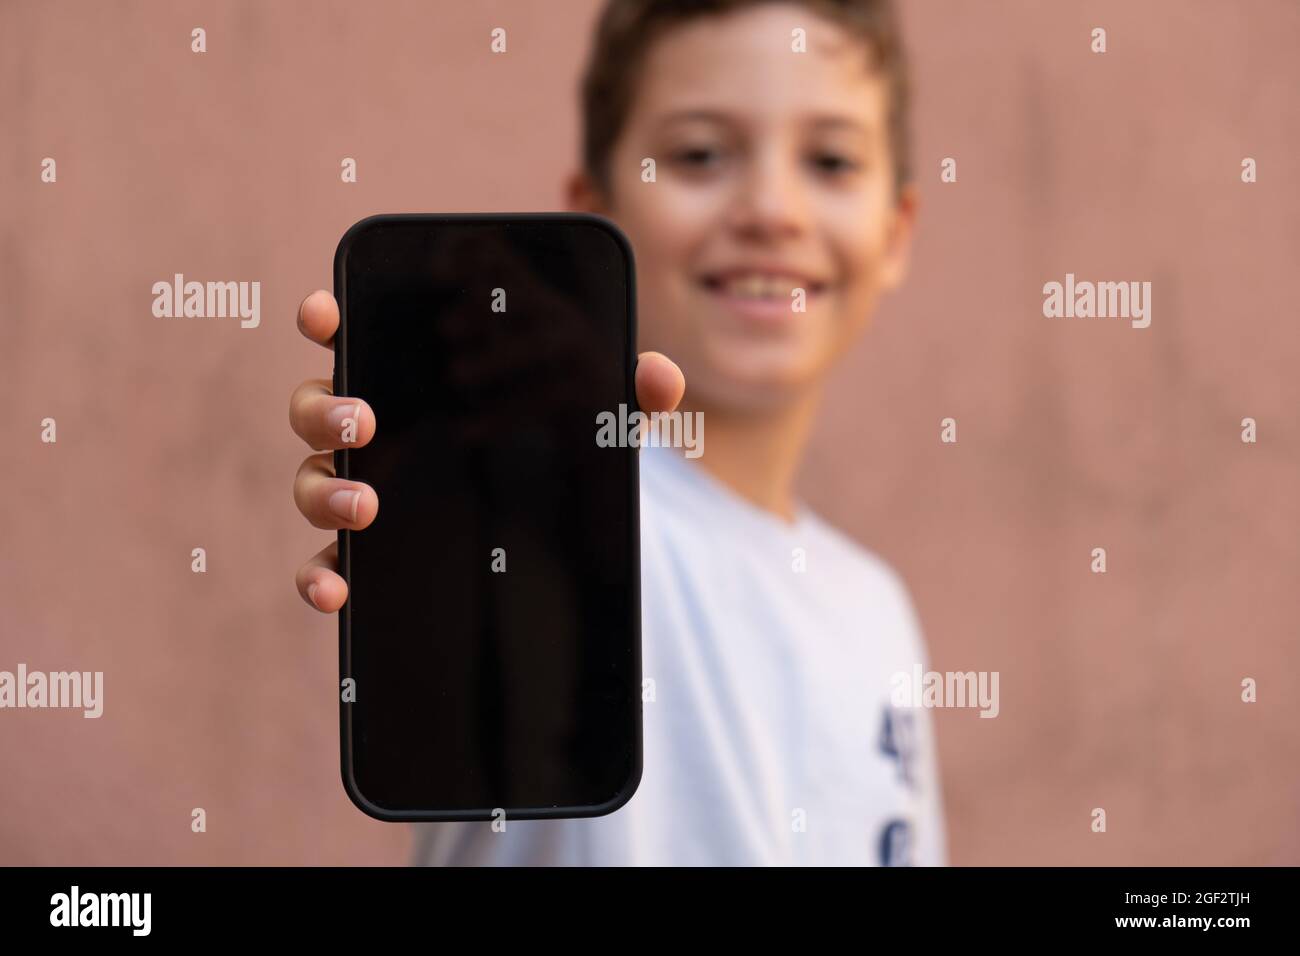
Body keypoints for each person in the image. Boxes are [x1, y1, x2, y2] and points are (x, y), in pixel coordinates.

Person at [288, 0, 944, 865]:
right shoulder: (550, 502)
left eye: (830, 160)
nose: (772, 209)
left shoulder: (878, 610)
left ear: (896, 232)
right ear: (595, 213)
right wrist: (436, 487)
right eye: (700, 154)